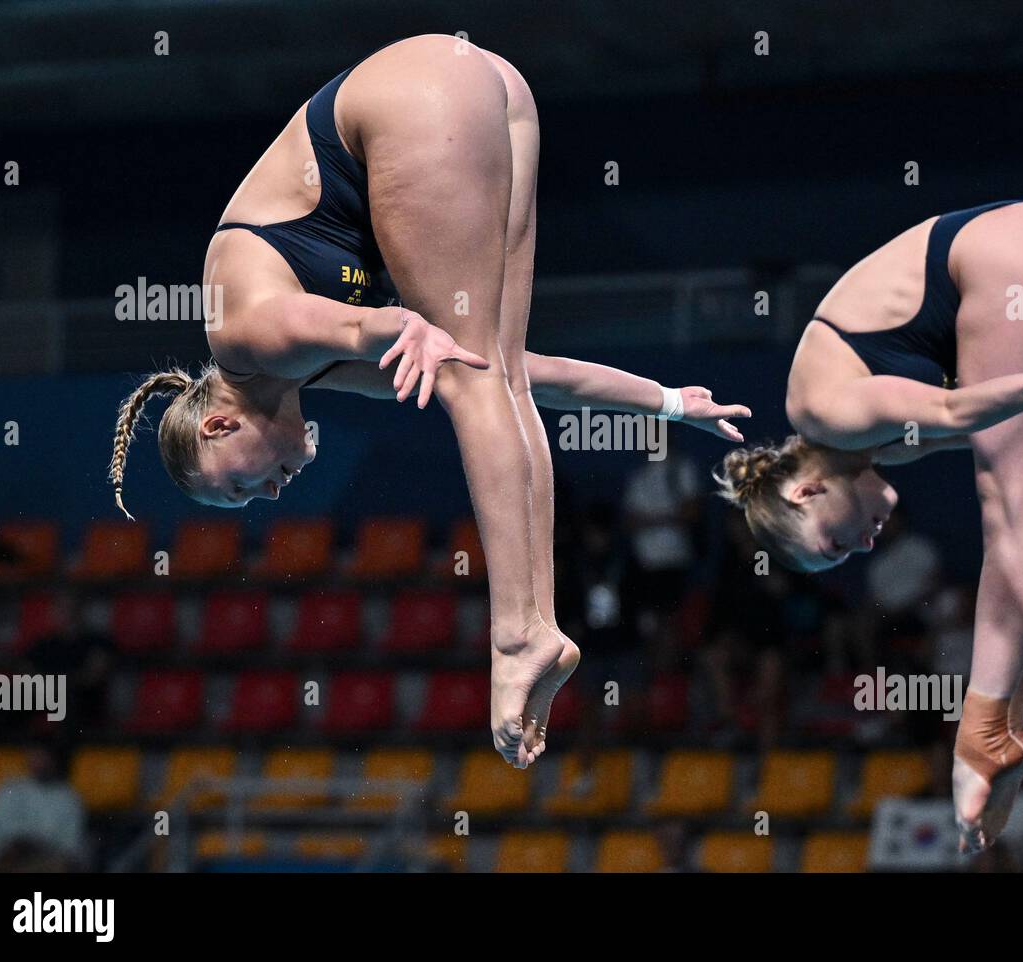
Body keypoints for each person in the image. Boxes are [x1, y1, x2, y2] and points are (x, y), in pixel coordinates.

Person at [108, 35, 749, 767]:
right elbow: (531, 373)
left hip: (415, 98)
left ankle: (515, 635)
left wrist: (400, 322)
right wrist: (665, 401)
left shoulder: (244, 336)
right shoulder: (308, 374)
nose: (268, 494)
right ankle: (538, 619)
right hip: (489, 91)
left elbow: (357, 322)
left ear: (220, 424)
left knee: (467, 380)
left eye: (240, 486)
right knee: (493, 374)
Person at [715, 200, 1023, 851]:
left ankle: (981, 729)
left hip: (1015, 254)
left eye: (837, 542)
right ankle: (1009, 722)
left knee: (1013, 502)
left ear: (809, 489)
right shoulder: (879, 440)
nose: (866, 545)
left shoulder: (822, 412)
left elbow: (963, 410)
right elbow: (1009, 417)